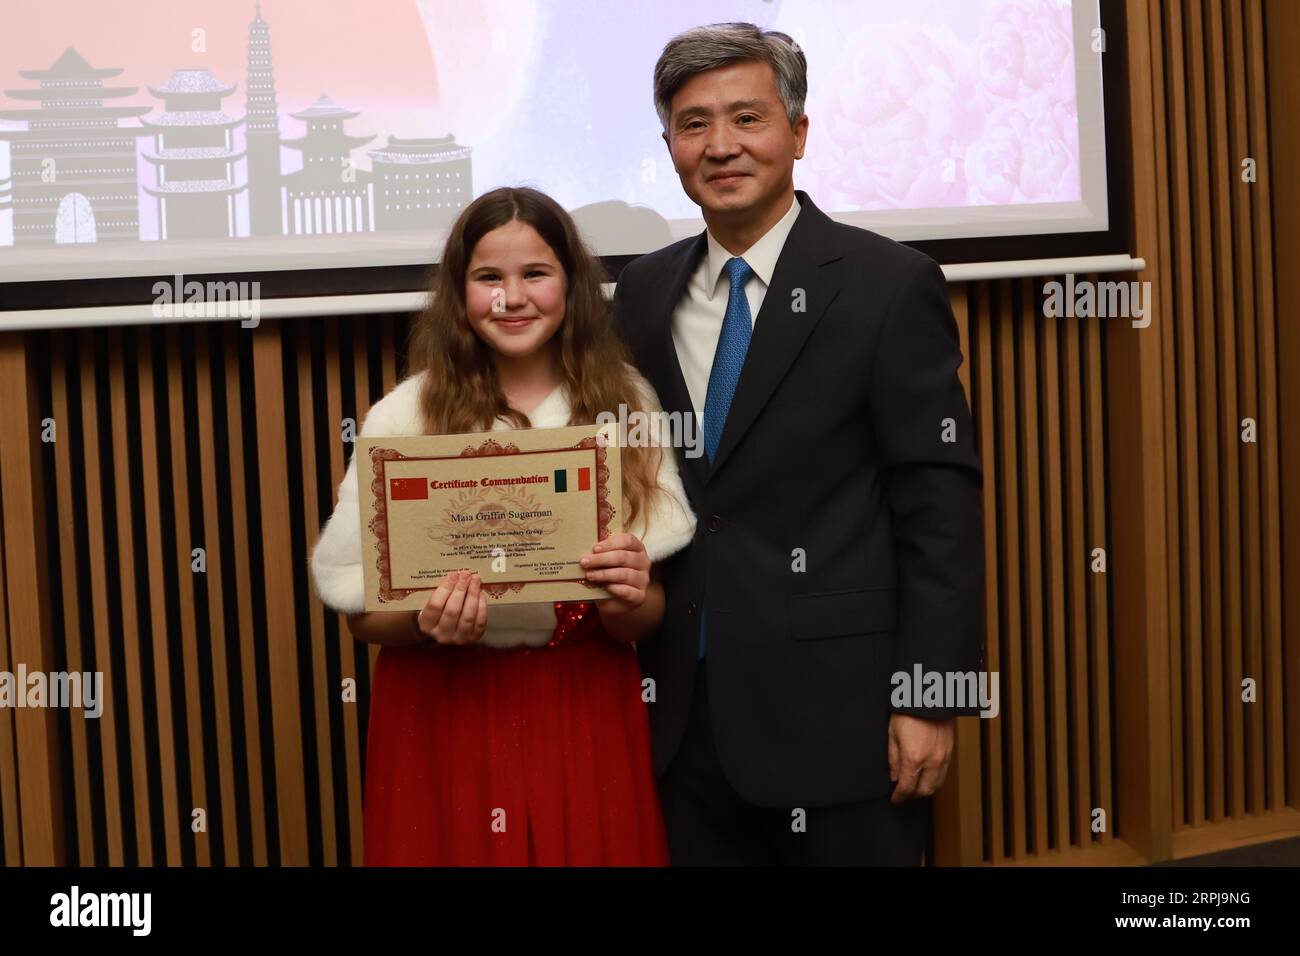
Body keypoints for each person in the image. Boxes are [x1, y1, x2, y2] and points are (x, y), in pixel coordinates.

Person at [612, 23, 985, 865]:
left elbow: (939, 506)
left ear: (798, 133)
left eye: (747, 118)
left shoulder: (889, 285)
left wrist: (931, 697)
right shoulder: (640, 292)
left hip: (841, 717)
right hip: (681, 714)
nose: (721, 145)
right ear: (669, 143)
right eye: (693, 123)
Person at [309, 186, 696, 866]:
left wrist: (630, 593)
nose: (511, 298)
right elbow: (362, 619)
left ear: (571, 286)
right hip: (441, 706)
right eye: (489, 277)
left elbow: (647, 616)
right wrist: (426, 626)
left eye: (535, 275)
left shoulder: (628, 404)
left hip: (585, 704)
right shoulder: (404, 418)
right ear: (460, 294)